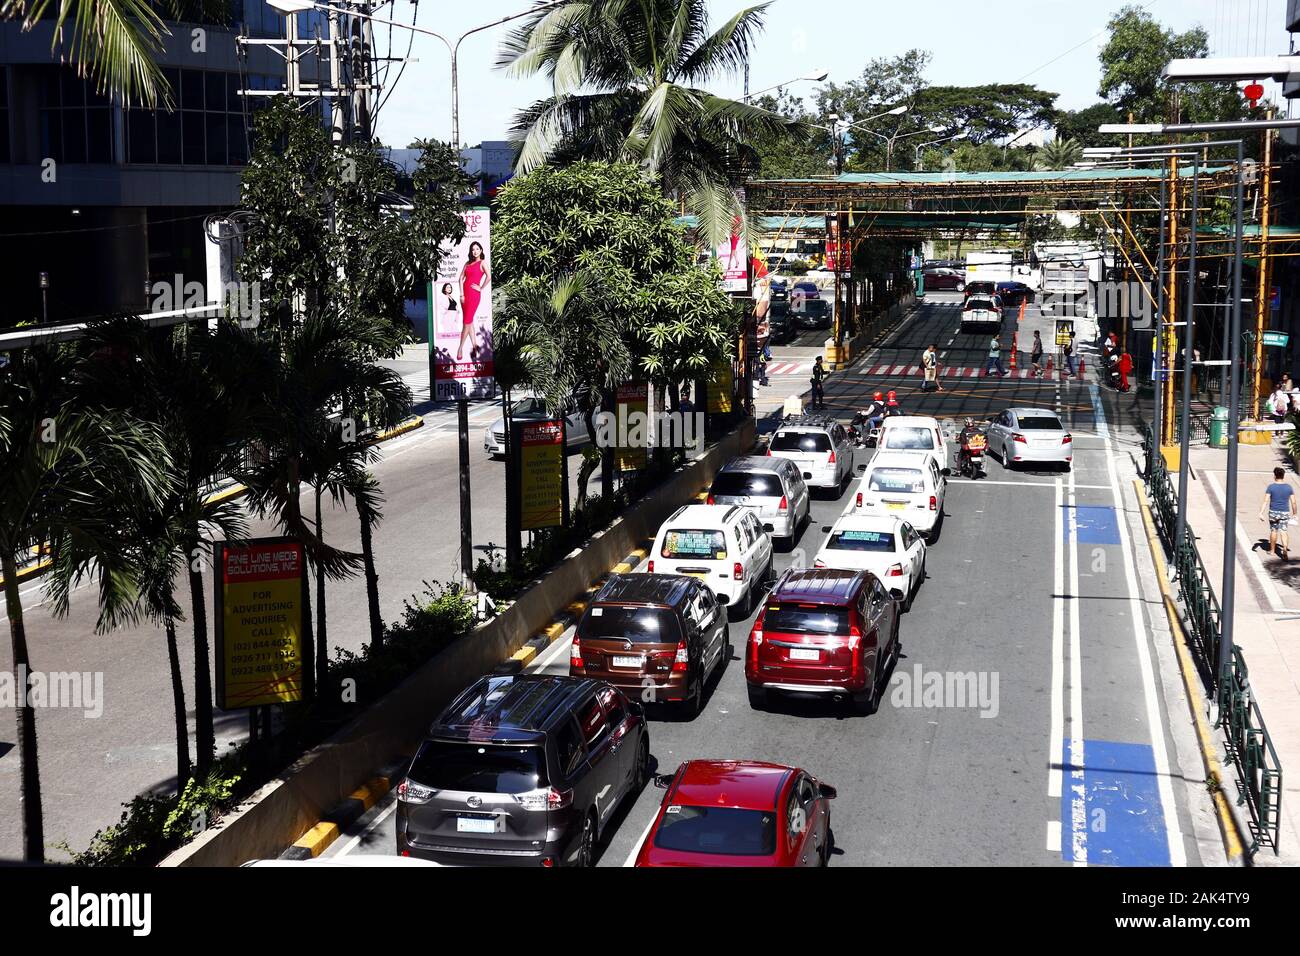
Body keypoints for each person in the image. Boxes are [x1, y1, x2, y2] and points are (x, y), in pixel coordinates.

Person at [457, 240, 490, 361]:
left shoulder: (482, 263)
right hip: (464, 295)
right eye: (473, 249)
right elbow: (460, 278)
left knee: (466, 322)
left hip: (474, 295)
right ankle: (475, 346)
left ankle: (460, 348)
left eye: (477, 249)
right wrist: (461, 294)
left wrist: (481, 287)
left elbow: (489, 276)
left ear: (481, 250)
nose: (475, 251)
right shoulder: (467, 263)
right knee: (469, 321)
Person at [1259, 467, 1298, 559]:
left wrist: (1261, 512)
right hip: (1284, 512)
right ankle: (1284, 549)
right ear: (1283, 476)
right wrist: (1295, 513)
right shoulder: (1289, 487)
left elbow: (1265, 500)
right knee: (1284, 531)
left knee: (1274, 530)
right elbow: (1293, 502)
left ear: (1274, 476)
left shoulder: (1271, 487)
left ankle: (1272, 551)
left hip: (1273, 512)